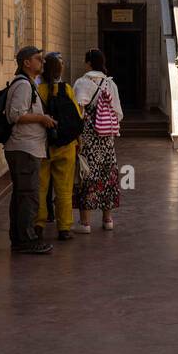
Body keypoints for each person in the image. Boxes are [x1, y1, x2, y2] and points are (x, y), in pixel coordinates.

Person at [4, 45, 56, 254]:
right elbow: (16, 115)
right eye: (38, 59)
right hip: (24, 148)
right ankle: (27, 239)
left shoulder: (28, 84)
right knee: (28, 195)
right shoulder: (24, 85)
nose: (42, 62)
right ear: (26, 62)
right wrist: (42, 119)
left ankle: (19, 238)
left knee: (22, 194)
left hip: (26, 148)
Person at [72, 48, 123, 232]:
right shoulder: (111, 84)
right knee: (107, 175)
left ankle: (85, 223)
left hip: (88, 136)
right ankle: (107, 220)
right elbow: (119, 113)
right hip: (107, 137)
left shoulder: (82, 83)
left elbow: (77, 110)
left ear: (88, 63)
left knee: (87, 174)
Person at [36, 53, 82, 241]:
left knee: (40, 187)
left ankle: (38, 224)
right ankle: (64, 227)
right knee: (64, 188)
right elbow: (76, 117)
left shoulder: (38, 90)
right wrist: (78, 140)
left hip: (43, 145)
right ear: (59, 70)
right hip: (66, 145)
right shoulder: (67, 89)